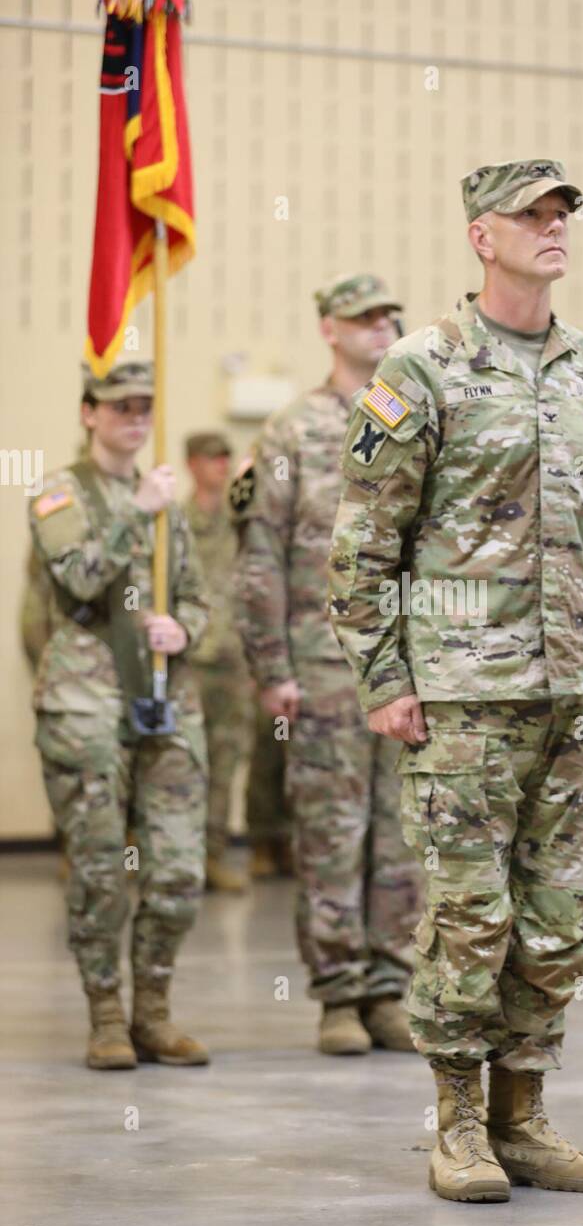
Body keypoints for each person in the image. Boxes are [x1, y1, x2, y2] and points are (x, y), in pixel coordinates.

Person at [328, 160, 583, 1203]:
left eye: (562, 215)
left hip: (573, 692)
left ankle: (523, 1114)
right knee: (471, 913)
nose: (552, 229)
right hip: (462, 692)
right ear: (480, 235)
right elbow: (364, 539)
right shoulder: (422, 368)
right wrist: (382, 674)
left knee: (555, 921)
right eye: (531, 215)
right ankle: (456, 1123)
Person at [233, 274, 424, 1055]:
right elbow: (261, 559)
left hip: (407, 667)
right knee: (331, 834)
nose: (380, 330)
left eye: (388, 317)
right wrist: (271, 664)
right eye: (363, 319)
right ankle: (338, 994)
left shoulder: (414, 419)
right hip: (320, 667)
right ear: (329, 330)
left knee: (401, 836)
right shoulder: (290, 431)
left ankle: (389, 986)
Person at [29, 360, 210, 1070]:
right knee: (103, 868)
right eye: (119, 406)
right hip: (87, 699)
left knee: (175, 871)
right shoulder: (57, 492)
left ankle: (154, 1013)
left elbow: (196, 593)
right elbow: (75, 574)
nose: (135, 418)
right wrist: (137, 507)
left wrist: (184, 629)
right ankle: (106, 1016)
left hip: (165, 700)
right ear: (88, 414)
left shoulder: (167, 502)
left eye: (144, 407)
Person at [184, 431, 253, 893]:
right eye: (212, 459)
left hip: (233, 660)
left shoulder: (238, 516)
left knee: (225, 763)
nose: (220, 466)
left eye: (225, 458)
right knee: (185, 764)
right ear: (192, 464)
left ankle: (211, 855)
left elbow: (263, 504)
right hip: (190, 660)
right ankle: (179, 862)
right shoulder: (177, 519)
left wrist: (254, 474)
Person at [245, 703, 293, 880]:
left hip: (310, 696)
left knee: (292, 769)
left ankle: (287, 842)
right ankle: (263, 843)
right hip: (277, 704)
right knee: (269, 762)